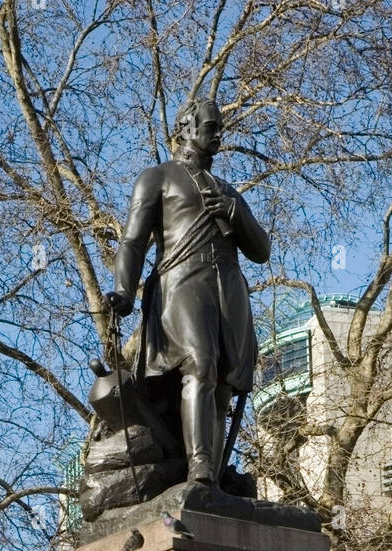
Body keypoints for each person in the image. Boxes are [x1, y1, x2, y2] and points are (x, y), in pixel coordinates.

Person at [107, 96, 270, 486]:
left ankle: (211, 476)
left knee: (224, 383)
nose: (219, 137)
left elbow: (261, 250)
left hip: (229, 287)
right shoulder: (157, 177)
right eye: (212, 128)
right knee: (200, 361)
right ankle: (198, 468)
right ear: (185, 129)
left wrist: (236, 212)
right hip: (181, 283)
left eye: (220, 129)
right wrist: (123, 292)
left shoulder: (228, 190)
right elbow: (132, 242)